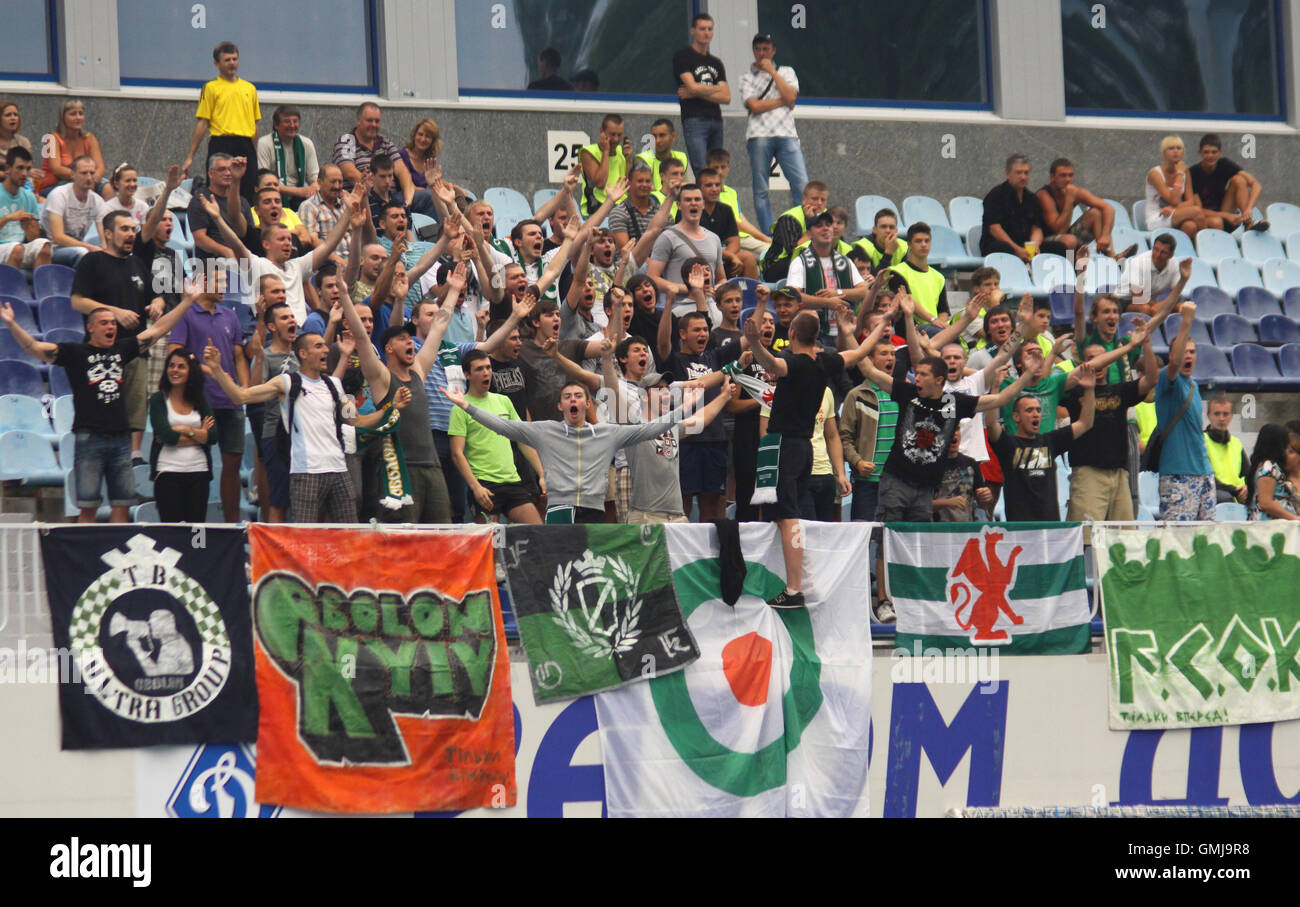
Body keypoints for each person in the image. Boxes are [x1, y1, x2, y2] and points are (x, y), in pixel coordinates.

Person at [0, 285, 197, 523]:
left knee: (122, 505)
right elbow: (35, 348)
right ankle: (87, 558)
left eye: (113, 323)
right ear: (90, 327)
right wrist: (12, 324)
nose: (110, 327)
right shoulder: (75, 352)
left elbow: (158, 329)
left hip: (120, 439)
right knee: (89, 507)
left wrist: (186, 302)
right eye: (104, 323)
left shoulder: (122, 349)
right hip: (89, 438)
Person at [741, 306, 881, 608]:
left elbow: (772, 364)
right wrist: (876, 328)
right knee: (790, 517)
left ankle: (794, 589)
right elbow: (859, 354)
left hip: (786, 447)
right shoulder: (826, 362)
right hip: (805, 447)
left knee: (788, 516)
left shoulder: (796, 363)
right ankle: (805, 579)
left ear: (791, 333)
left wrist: (754, 343)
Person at [444, 369, 708, 525]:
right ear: (560, 406)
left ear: (587, 404)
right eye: (567, 397)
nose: (573, 400)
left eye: (579, 396)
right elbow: (504, 427)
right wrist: (467, 406)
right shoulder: (545, 430)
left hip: (594, 511)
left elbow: (650, 429)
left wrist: (683, 409)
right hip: (560, 511)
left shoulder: (607, 433)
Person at [194, 179, 361, 325]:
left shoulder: (297, 265)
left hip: (303, 332)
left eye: (289, 239)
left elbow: (328, 245)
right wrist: (217, 218)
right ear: (265, 244)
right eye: (281, 239)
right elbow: (236, 244)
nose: (288, 243)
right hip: (273, 331)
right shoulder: (257, 265)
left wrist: (348, 212)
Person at [166, 265, 248, 521]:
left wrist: (243, 388)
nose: (224, 287)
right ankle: (194, 525)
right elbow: (174, 353)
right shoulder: (186, 314)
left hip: (230, 401)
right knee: (199, 466)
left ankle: (233, 526)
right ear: (203, 282)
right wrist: (206, 371)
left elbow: (238, 356)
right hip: (200, 402)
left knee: (233, 463)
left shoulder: (230, 316)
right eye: (219, 282)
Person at [1064, 319, 1165, 521]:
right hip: (1088, 473)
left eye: (1102, 358)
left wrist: (1146, 342)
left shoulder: (1120, 390)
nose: (1098, 363)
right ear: (1083, 363)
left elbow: (1152, 380)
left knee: (1122, 539)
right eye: (1091, 359)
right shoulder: (1074, 392)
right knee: (1087, 535)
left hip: (1119, 473)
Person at [989, 359, 1097, 522]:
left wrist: (1089, 390)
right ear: (1016, 417)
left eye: (1038, 410)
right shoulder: (1008, 444)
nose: (1035, 414)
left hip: (1049, 525)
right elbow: (991, 423)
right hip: (1020, 527)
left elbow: (1085, 423)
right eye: (1029, 410)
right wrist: (995, 388)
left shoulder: (1050, 441)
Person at [448, 348, 546, 524]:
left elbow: (523, 439)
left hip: (513, 480)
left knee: (537, 531)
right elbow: (457, 453)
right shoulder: (459, 408)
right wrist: (475, 487)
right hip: (485, 484)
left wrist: (541, 474)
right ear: (467, 375)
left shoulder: (503, 401)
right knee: (489, 543)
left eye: (488, 367)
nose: (486, 372)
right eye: (479, 369)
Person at [740, 32, 808, 233]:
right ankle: (769, 234)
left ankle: (800, 228)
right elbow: (754, 106)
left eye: (766, 49)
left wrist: (773, 73)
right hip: (758, 135)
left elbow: (791, 96)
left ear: (774, 51)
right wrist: (783, 101)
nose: (762, 54)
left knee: (801, 184)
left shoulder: (787, 72)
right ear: (753, 51)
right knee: (761, 189)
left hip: (787, 134)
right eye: (758, 49)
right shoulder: (746, 78)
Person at [1155, 300, 1215, 520]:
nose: (1188, 356)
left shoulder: (1194, 385)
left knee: (1205, 541)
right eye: (1184, 352)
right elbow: (1174, 363)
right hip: (1178, 474)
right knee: (1178, 542)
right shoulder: (1168, 379)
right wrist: (1186, 321)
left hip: (1204, 473)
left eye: (1192, 351)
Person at [182, 43, 259, 202]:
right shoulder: (209, 88)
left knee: (247, 191)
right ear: (217, 64)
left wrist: (256, 153)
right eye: (227, 60)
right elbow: (203, 122)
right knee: (218, 192)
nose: (232, 63)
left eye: (234, 59)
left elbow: (254, 124)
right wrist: (191, 155)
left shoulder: (250, 88)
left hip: (245, 144)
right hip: (221, 143)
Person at [332, 102, 435, 218]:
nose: (374, 125)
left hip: (391, 197)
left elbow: (402, 171)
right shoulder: (347, 141)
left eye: (377, 121)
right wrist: (376, 194)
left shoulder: (385, 142)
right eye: (369, 120)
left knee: (428, 196)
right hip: (362, 199)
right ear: (358, 120)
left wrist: (407, 202)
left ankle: (436, 235)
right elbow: (350, 173)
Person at [149, 349, 215, 522]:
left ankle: (199, 550)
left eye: (181, 366)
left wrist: (185, 430)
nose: (174, 370)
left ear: (190, 371)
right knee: (171, 531)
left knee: (198, 528)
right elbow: (167, 436)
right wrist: (200, 433)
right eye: (171, 366)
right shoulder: (158, 400)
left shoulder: (201, 401)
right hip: (167, 473)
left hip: (199, 471)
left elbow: (214, 437)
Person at [647, 183, 725, 316]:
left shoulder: (714, 238)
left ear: (703, 204)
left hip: (710, 306)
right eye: (688, 200)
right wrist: (687, 288)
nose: (693, 203)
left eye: (697, 199)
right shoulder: (667, 237)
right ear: (679, 206)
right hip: (681, 308)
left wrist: (718, 288)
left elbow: (722, 278)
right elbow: (651, 277)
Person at [673, 13, 730, 174]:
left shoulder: (716, 63)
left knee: (718, 167)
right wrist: (715, 88)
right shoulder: (682, 57)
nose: (706, 33)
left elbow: (726, 97)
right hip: (694, 119)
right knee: (701, 168)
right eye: (702, 29)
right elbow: (691, 86)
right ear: (693, 31)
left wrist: (696, 92)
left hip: (715, 119)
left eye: (710, 29)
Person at [979, 153, 1064, 260]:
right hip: (998, 245)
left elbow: (1036, 229)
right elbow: (994, 229)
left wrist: (1034, 246)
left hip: (1024, 245)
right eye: (1018, 173)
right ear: (1007, 174)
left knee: (1060, 248)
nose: (1023, 177)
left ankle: (1072, 274)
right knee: (1005, 248)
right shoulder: (996, 195)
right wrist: (1016, 249)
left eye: (1026, 173)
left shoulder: (1032, 199)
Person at [1035, 158, 1121, 256]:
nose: (1068, 179)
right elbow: (1059, 231)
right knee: (1070, 239)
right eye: (1063, 175)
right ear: (1052, 177)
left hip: (1066, 237)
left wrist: (1105, 236)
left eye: (1070, 175)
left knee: (1096, 213)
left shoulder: (1075, 192)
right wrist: (1069, 201)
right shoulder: (1044, 195)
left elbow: (1109, 208)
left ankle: (1112, 257)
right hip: (1044, 241)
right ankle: (1072, 268)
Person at [1191, 133, 1268, 233]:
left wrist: (1248, 209)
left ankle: (1248, 223)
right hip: (1207, 216)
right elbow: (1198, 210)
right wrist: (1226, 216)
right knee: (1216, 222)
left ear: (1220, 152)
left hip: (1225, 210)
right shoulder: (1192, 173)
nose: (1210, 156)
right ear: (1200, 153)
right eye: (1206, 152)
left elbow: (1256, 185)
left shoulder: (1224, 164)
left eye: (1214, 152)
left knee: (1239, 180)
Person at [40, 155, 108, 266]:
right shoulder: (59, 195)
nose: (89, 178)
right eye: (84, 173)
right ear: (73, 174)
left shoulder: (97, 200)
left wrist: (106, 250)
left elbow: (104, 237)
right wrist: (89, 247)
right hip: (52, 248)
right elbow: (58, 237)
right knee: (83, 253)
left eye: (92, 173)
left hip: (80, 245)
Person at [886, 223, 950, 331]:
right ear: (909, 245)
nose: (923, 244)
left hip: (934, 327)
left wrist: (941, 324)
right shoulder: (897, 272)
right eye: (918, 241)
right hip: (912, 328)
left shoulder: (938, 277)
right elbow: (907, 300)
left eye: (927, 241)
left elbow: (943, 310)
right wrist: (933, 320)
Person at [761, 180, 829, 281]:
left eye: (823, 200)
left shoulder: (828, 216)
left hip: (810, 260)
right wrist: (812, 226)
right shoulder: (790, 218)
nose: (819, 203)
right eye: (815, 199)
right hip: (777, 266)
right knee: (810, 263)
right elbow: (794, 251)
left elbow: (837, 244)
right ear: (804, 199)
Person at [255, 105, 319, 211]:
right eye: (287, 121)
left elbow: (315, 179)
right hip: (273, 197)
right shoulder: (264, 144)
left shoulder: (306, 144)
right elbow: (263, 182)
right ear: (276, 125)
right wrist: (299, 191)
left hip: (303, 199)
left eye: (295, 121)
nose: (292, 125)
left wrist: (313, 188)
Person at [1144, 135, 1207, 237]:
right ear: (1164, 153)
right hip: (1156, 217)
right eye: (1171, 148)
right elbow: (1173, 200)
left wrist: (1174, 210)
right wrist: (1179, 175)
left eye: (1179, 148)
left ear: (1183, 152)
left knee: (1190, 226)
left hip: (1173, 213)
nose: (1175, 151)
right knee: (1197, 211)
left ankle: (1192, 251)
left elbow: (1190, 201)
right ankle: (1206, 246)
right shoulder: (1155, 174)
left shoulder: (1185, 171)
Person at [38, 99, 105, 193]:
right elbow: (56, 169)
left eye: (80, 113)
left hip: (87, 181)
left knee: (107, 188)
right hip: (55, 185)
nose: (78, 117)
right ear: (63, 117)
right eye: (73, 114)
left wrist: (93, 178)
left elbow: (100, 167)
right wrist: (82, 177)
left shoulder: (90, 138)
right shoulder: (50, 139)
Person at [0, 147, 50, 270]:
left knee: (44, 245)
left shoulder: (29, 196)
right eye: (20, 168)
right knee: (17, 249)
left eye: (28, 169)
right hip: (4, 247)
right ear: (7, 168)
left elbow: (33, 238)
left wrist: (30, 228)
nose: (24, 174)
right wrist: (7, 218)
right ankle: (10, 289)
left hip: (20, 247)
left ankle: (42, 288)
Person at [579, 115, 633, 218]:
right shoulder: (588, 152)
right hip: (596, 210)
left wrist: (628, 160)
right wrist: (606, 152)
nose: (616, 139)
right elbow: (600, 183)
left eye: (619, 135)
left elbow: (629, 186)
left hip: (622, 209)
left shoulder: (621, 153)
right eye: (612, 134)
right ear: (602, 131)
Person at [933, 429, 990, 522]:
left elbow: (982, 504)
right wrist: (946, 503)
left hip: (966, 529)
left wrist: (986, 496)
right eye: (952, 428)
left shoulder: (971, 463)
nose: (955, 433)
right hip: (939, 531)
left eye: (957, 429)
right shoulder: (931, 464)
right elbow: (920, 506)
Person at [1117, 233, 1182, 315]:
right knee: (1146, 309)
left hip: (1150, 302)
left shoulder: (1174, 264)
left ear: (1171, 255)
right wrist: (1158, 306)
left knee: (1182, 307)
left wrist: (1160, 306)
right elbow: (1137, 298)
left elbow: (1177, 295)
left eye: (1163, 252)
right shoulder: (1139, 262)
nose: (1158, 255)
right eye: (1156, 249)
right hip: (1124, 301)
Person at [1246, 424, 1299, 521]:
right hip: (1269, 525)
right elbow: (1265, 502)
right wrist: (1294, 518)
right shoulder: (1268, 468)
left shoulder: (1270, 466)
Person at [1205, 394, 1250, 505]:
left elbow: (1249, 474)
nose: (1221, 418)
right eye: (1217, 414)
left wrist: (1246, 490)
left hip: (1237, 496)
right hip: (1214, 497)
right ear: (1208, 416)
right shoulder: (1201, 441)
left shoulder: (1236, 443)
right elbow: (1205, 478)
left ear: (1231, 416)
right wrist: (1234, 491)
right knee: (1224, 498)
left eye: (1225, 414)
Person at [637, 118, 691, 191]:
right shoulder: (644, 158)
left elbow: (690, 186)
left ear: (673, 136)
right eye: (654, 136)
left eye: (662, 135)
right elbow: (644, 191)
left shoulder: (682, 157)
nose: (657, 140)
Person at [852, 208, 907, 275]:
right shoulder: (863, 247)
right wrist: (888, 254)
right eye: (883, 227)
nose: (888, 231)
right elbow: (871, 281)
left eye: (891, 227)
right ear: (874, 230)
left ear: (896, 231)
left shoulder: (904, 247)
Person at [103, 163, 149, 228]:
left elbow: (145, 234)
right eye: (128, 181)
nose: (132, 184)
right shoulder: (107, 208)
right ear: (116, 184)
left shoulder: (143, 207)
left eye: (134, 180)